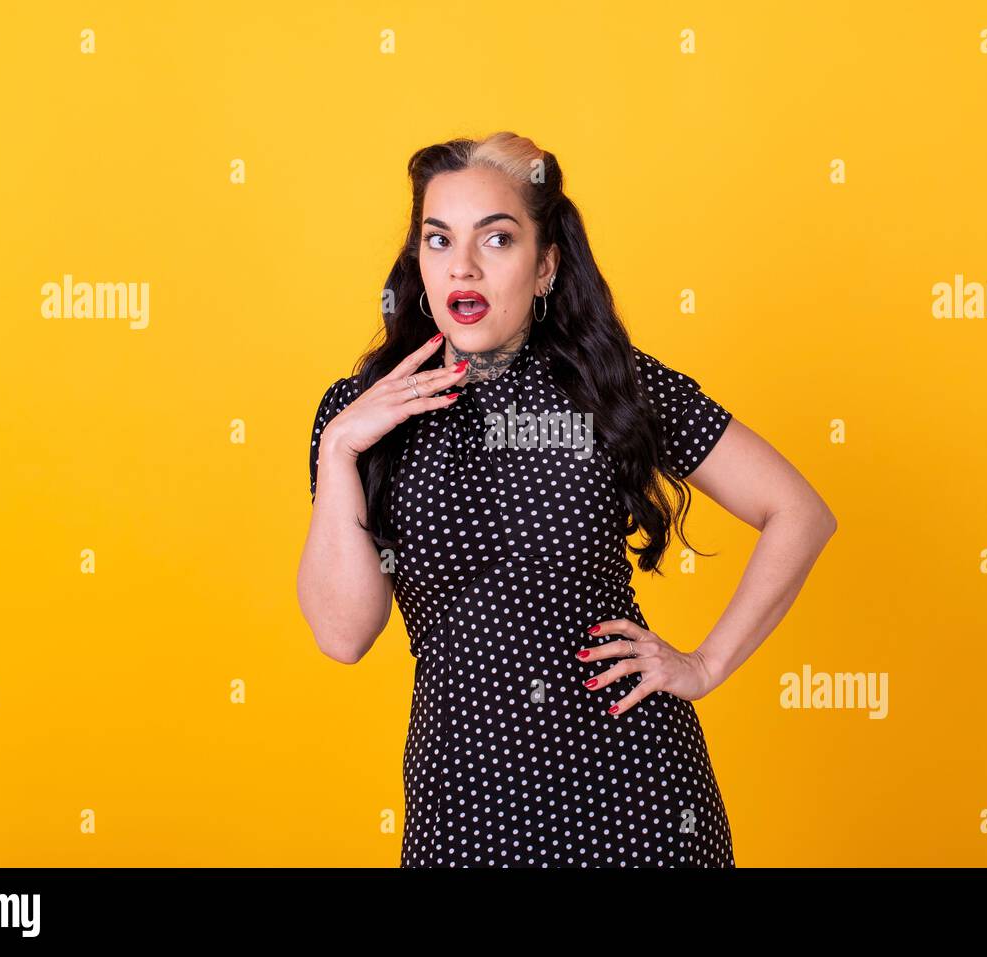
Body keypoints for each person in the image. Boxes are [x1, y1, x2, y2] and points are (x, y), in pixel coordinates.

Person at [297, 132, 837, 867]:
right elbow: (343, 634)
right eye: (439, 238)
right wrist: (339, 452)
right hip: (463, 808)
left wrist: (704, 665)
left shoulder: (606, 382)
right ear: (419, 263)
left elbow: (799, 511)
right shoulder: (359, 414)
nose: (464, 264)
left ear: (545, 264)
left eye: (498, 238)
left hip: (635, 798)